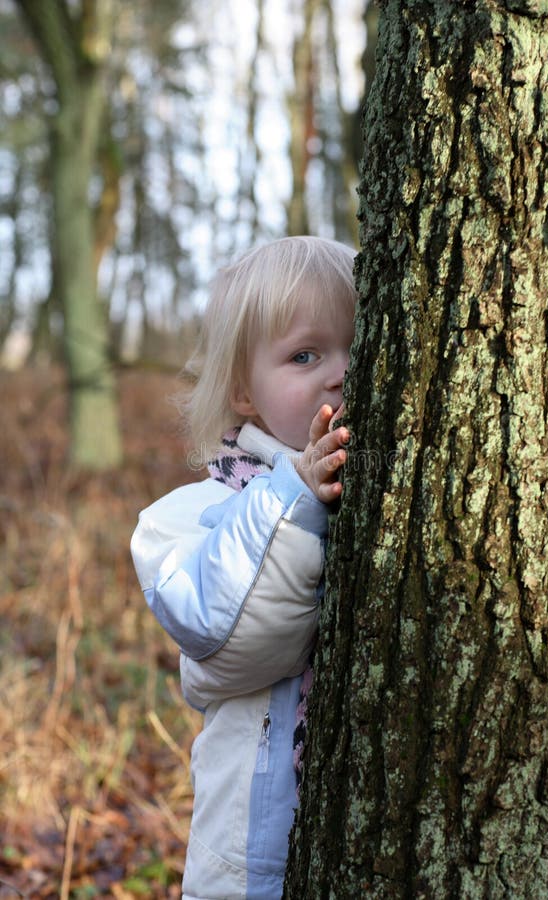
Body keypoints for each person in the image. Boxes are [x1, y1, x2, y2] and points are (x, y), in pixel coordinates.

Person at [130, 235, 356, 900]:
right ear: (243, 392)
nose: (341, 372)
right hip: (250, 866)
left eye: (358, 344)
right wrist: (294, 496)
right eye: (305, 354)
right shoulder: (191, 517)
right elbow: (232, 639)